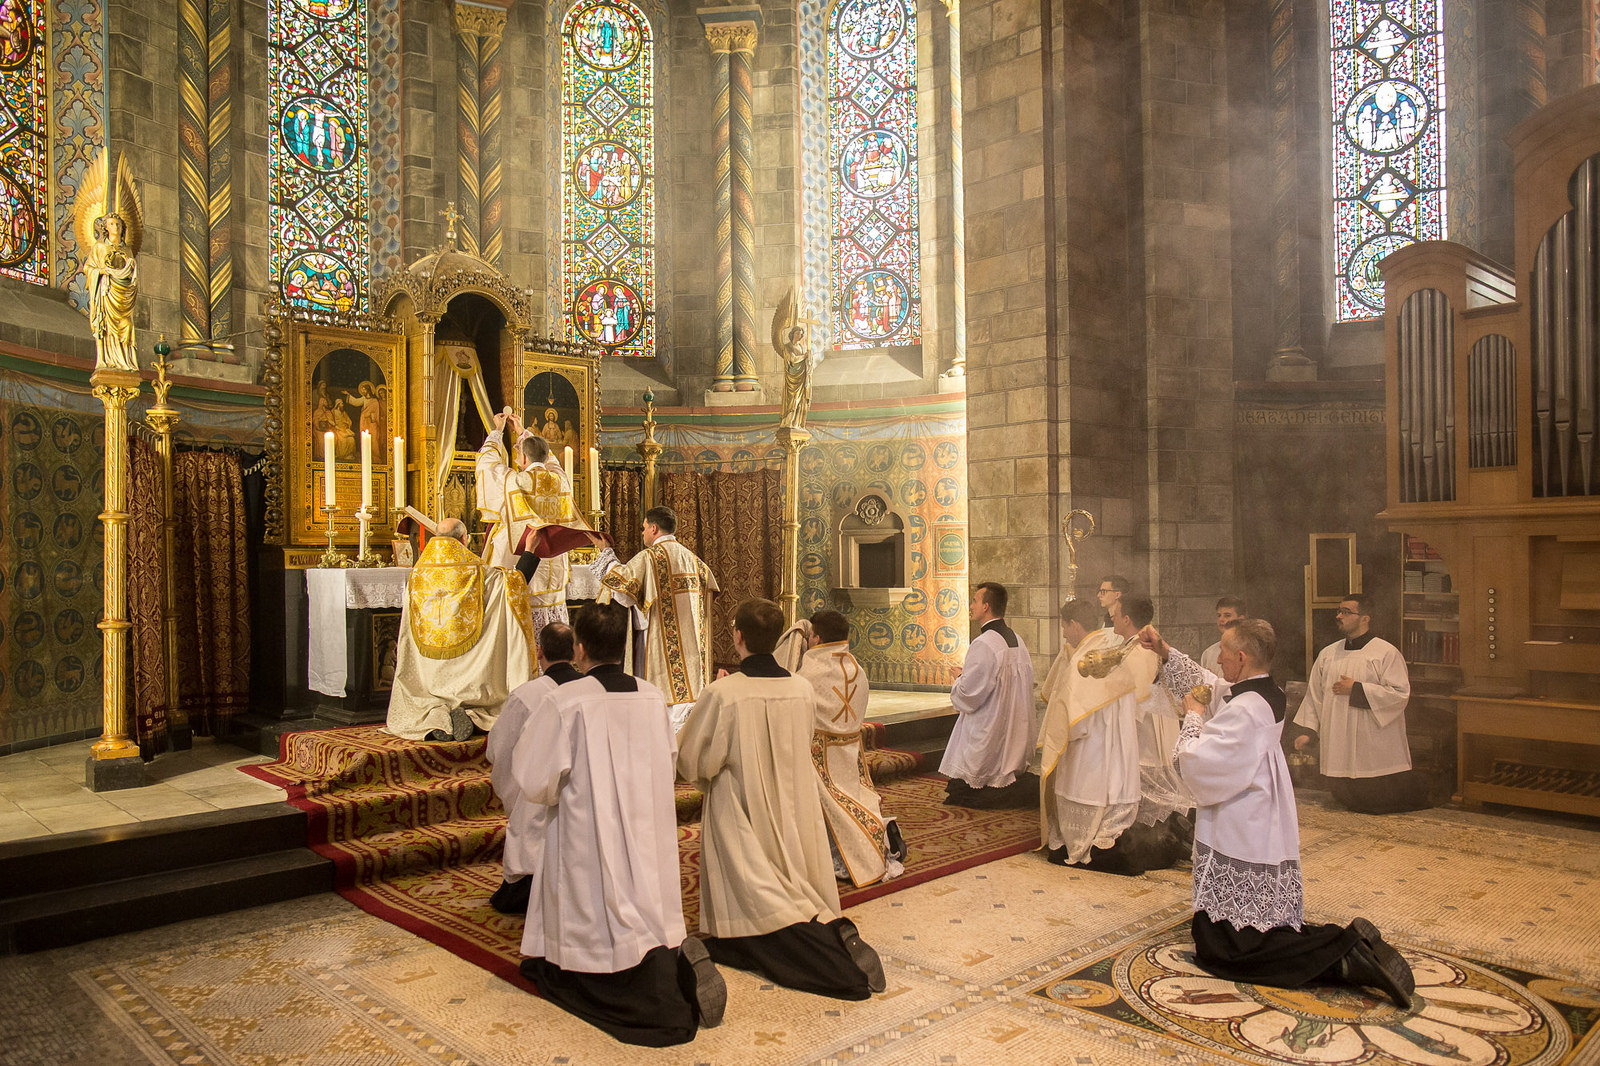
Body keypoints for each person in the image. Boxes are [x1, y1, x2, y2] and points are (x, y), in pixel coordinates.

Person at [1140, 618, 1416, 1008]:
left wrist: (1193, 718)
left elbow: (1196, 760)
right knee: (1256, 926)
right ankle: (1347, 945)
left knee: (1230, 952)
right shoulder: (1266, 691)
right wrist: (1164, 651)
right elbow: (1213, 687)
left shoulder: (1247, 709)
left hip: (1242, 812)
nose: (1216, 659)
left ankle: (1346, 954)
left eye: (1222, 651)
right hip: (1261, 805)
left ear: (1241, 656)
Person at [509, 602, 725, 1045]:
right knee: (642, 903)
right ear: (623, 647)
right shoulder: (650, 696)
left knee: (594, 917)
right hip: (646, 826)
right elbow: (668, 762)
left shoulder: (565, 701)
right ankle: (667, 960)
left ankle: (626, 977)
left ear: (580, 648)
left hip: (586, 830)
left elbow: (533, 778)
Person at [677, 599, 885, 999]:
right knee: (791, 884)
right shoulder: (800, 688)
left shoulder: (724, 693)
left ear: (737, 636)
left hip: (741, 808)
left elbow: (694, 759)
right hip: (791, 805)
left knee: (760, 904)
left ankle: (831, 959)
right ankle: (833, 928)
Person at [1038, 593, 1190, 874]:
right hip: (1119, 745)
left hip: (1096, 754)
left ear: (1073, 625)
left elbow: (1076, 721)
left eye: (1063, 626)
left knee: (1096, 803)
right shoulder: (1114, 648)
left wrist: (1057, 739)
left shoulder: (1094, 657)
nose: (1112, 618)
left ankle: (1085, 844)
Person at [781, 610, 907, 887]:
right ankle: (881, 834)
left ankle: (850, 851)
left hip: (819, 758)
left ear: (817, 638)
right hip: (850, 754)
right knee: (855, 799)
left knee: (823, 802)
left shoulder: (808, 675)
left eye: (812, 636)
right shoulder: (857, 669)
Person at [386, 518, 536, 742]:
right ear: (464, 539)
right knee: (485, 702)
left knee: (431, 699)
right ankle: (469, 713)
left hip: (431, 673)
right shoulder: (478, 572)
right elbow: (514, 584)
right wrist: (531, 550)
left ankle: (438, 717)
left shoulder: (418, 574)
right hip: (470, 674)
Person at [1295, 593, 1430, 813]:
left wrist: (1356, 689)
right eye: (1339, 611)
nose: (1339, 616)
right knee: (1343, 799)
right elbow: (1314, 696)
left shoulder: (1385, 652)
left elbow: (1399, 694)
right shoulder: (1328, 654)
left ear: (1365, 618)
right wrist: (1308, 731)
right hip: (1339, 740)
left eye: (1346, 612)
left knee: (1374, 801)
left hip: (1372, 742)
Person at [590, 506, 720, 731]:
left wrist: (606, 553)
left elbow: (623, 592)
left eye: (643, 528)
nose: (642, 533)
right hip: (693, 652)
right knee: (686, 721)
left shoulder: (650, 558)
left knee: (660, 717)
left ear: (654, 528)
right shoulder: (694, 560)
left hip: (660, 648)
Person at [484, 622, 581, 916]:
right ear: (576, 653)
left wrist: (513, 795)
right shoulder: (591, 691)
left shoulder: (527, 696)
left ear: (539, 652)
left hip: (539, 801)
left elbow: (500, 751)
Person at [476, 412, 595, 638]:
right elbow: (550, 460)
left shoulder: (514, 481)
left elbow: (487, 464)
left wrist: (497, 431)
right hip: (553, 561)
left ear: (522, 459)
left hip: (520, 564)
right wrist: (523, 433)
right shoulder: (560, 480)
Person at [940, 582, 1038, 809]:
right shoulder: (1017, 639)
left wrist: (958, 679)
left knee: (966, 787)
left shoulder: (984, 643)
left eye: (975, 601)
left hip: (991, 724)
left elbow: (970, 695)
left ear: (986, 606)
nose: (971, 605)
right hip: (1013, 724)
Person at [1199, 596, 1247, 675]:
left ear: (1240, 619)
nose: (1221, 619)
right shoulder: (1208, 653)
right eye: (1219, 615)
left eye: (1227, 615)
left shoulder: (1250, 650)